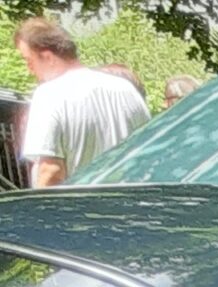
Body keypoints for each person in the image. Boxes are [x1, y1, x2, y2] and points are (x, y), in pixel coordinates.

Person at [10, 17, 147, 186]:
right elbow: (147, 155)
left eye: (29, 61)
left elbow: (51, 172)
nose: (29, 69)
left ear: (48, 57)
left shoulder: (49, 95)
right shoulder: (126, 90)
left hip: (79, 208)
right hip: (130, 206)